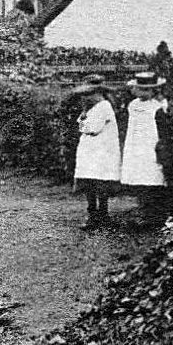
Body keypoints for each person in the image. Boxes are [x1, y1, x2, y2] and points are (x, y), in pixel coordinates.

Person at [120, 70, 173, 227]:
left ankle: (153, 215)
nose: (143, 92)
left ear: (154, 90)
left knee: (152, 178)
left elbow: (163, 130)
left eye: (147, 89)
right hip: (135, 145)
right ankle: (142, 210)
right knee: (138, 178)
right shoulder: (133, 105)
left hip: (150, 146)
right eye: (140, 89)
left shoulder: (157, 107)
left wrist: (161, 146)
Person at [71, 74, 121, 230]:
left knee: (100, 183)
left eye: (90, 94)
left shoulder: (104, 106)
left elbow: (92, 129)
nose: (86, 97)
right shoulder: (92, 108)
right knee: (90, 182)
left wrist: (83, 124)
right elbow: (80, 124)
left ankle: (103, 215)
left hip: (102, 152)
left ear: (99, 93)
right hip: (90, 152)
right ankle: (93, 214)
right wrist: (83, 121)